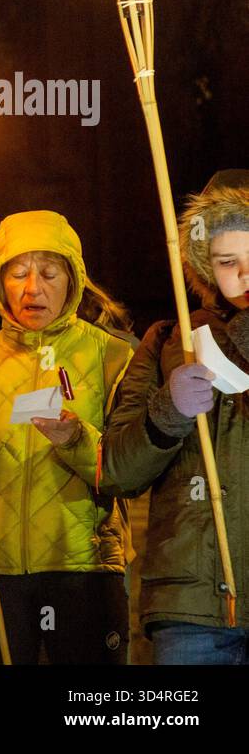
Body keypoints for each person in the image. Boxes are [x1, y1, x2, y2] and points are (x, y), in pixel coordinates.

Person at [0, 210, 135, 664]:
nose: (32, 288)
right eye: (18, 272)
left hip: (82, 569)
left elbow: (128, 471)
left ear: (73, 279)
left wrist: (75, 438)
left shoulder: (112, 355)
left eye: (49, 272)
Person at [103, 170, 249, 664]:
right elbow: (118, 471)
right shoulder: (170, 341)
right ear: (206, 267)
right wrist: (168, 412)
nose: (244, 276)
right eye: (228, 262)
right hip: (191, 607)